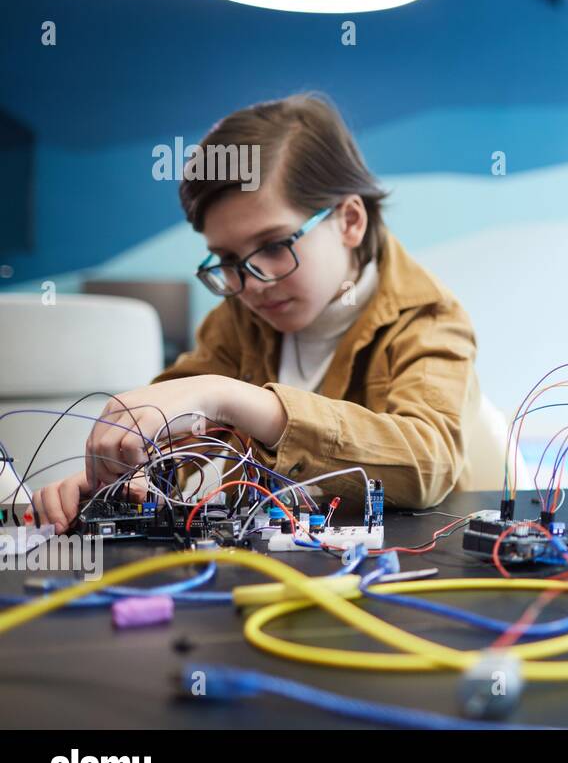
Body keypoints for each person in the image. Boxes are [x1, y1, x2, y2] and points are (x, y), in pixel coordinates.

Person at [33, 93, 480, 530]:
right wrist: (124, 483)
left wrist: (231, 397)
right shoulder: (239, 319)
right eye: (227, 259)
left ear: (349, 220)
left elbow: (428, 461)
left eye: (273, 245)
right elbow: (181, 437)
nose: (252, 283)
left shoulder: (429, 317)